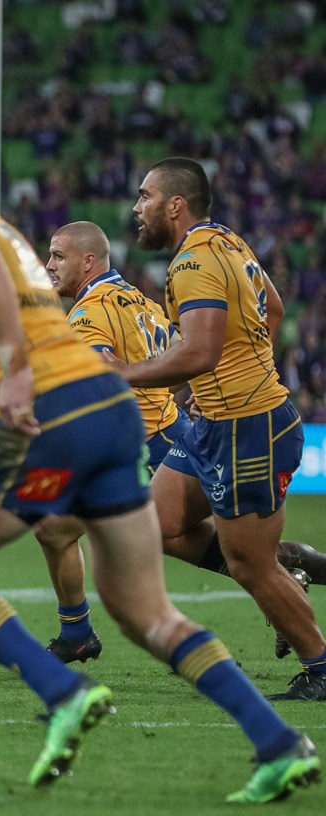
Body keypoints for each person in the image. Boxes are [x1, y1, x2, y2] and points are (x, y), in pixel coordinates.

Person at [0, 125, 319, 801]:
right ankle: (277, 742)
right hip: (111, 411)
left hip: (52, 414)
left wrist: (13, 365)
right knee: (141, 607)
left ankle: (62, 690)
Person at [38, 222, 326, 664]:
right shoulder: (141, 300)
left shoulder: (87, 315)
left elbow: (101, 384)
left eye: (58, 256)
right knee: (93, 530)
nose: (49, 265)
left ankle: (77, 630)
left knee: (61, 527)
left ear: (88, 261)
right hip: (177, 434)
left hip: (140, 446)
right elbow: (179, 351)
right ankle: (75, 629)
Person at [115, 156, 326, 702]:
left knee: (247, 564)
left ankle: (320, 666)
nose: (138, 209)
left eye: (145, 197)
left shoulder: (193, 263)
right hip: (211, 421)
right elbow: (273, 311)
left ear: (175, 205)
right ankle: (287, 568)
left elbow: (202, 350)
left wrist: (123, 375)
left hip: (247, 429)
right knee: (156, 524)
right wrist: (233, 376)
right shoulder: (227, 243)